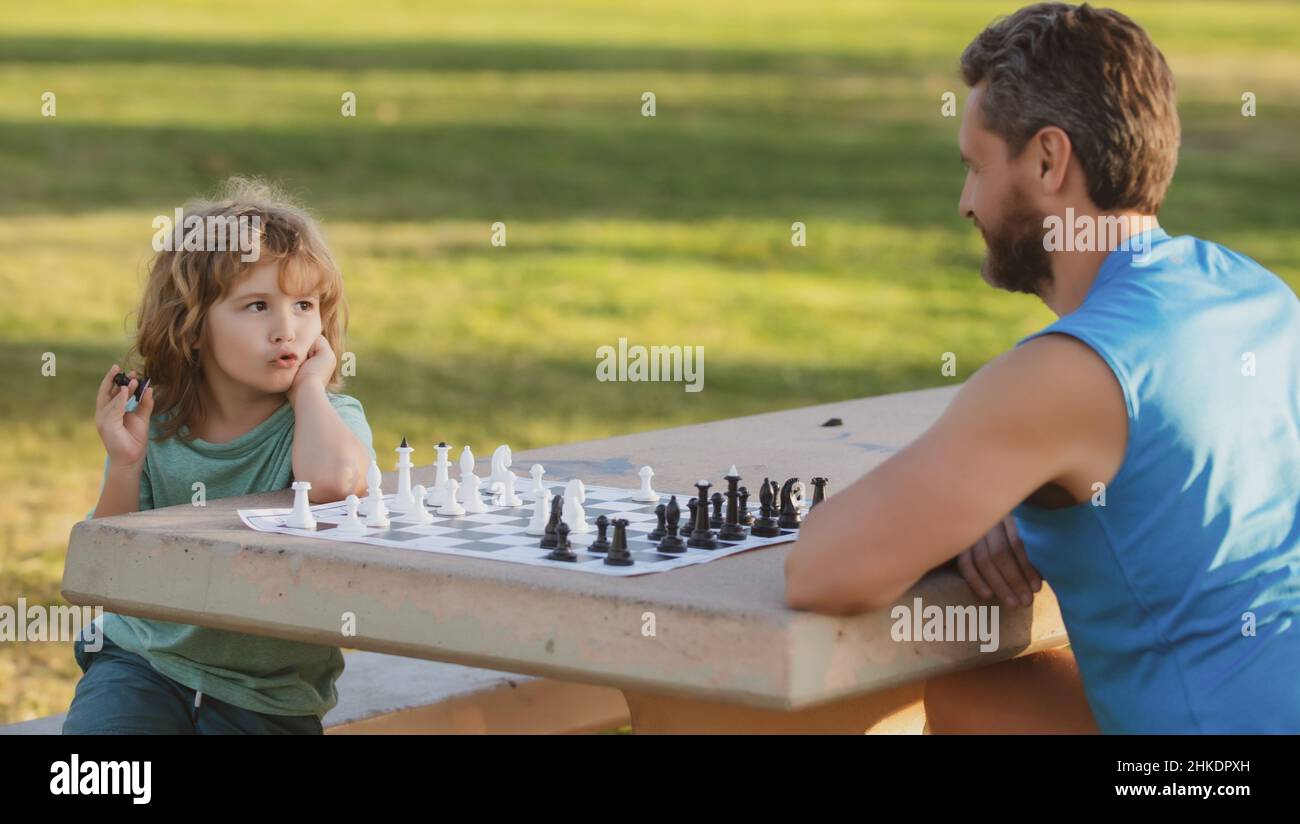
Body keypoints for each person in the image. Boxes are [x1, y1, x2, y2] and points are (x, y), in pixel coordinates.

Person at [785, 3, 1300, 733]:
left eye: (975, 166)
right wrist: (996, 491)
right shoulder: (1258, 296)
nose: (966, 203)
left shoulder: (1069, 371)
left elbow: (823, 572)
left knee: (834, 702)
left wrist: (979, 494)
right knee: (960, 697)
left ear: (1049, 160)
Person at [63, 178, 376, 734]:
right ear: (193, 326)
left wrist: (308, 390)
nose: (288, 328)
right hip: (143, 664)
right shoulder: (156, 420)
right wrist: (128, 464)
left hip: (269, 693)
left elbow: (336, 482)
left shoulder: (327, 418)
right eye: (257, 305)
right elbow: (108, 568)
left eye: (304, 305)